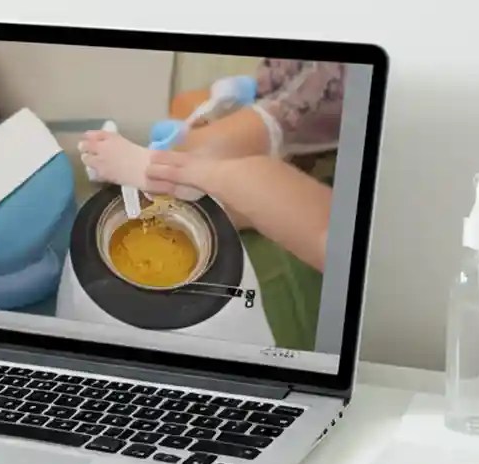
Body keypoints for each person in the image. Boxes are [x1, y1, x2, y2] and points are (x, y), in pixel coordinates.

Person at [80, 59, 346, 351]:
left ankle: (186, 181)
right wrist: (257, 85)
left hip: (320, 126)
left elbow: (325, 231)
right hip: (295, 93)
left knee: (198, 156)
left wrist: (188, 171)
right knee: (185, 104)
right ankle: (197, 185)